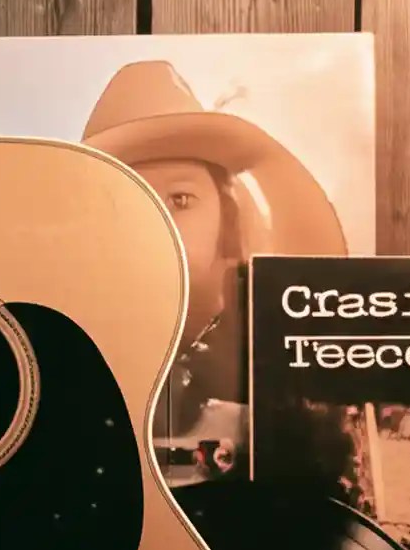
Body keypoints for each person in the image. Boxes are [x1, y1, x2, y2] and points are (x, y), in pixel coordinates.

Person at [79, 60, 349, 485]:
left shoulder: (280, 352)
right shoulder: (58, 354)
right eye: (125, 197)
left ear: (226, 219)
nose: (153, 221)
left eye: (180, 200)